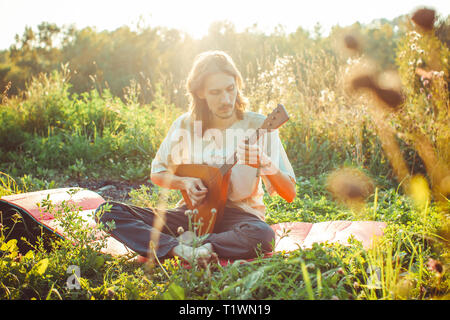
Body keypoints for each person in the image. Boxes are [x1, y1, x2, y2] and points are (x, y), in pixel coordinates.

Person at [96, 50, 296, 265]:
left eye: (231, 89)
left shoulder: (259, 126)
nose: (226, 99)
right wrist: (185, 182)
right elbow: (158, 173)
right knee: (107, 212)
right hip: (191, 216)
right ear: (200, 93)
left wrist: (265, 162)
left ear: (237, 84)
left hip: (239, 217)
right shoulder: (185, 125)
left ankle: (200, 244)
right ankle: (180, 248)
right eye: (216, 92)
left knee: (262, 235)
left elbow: (289, 193)